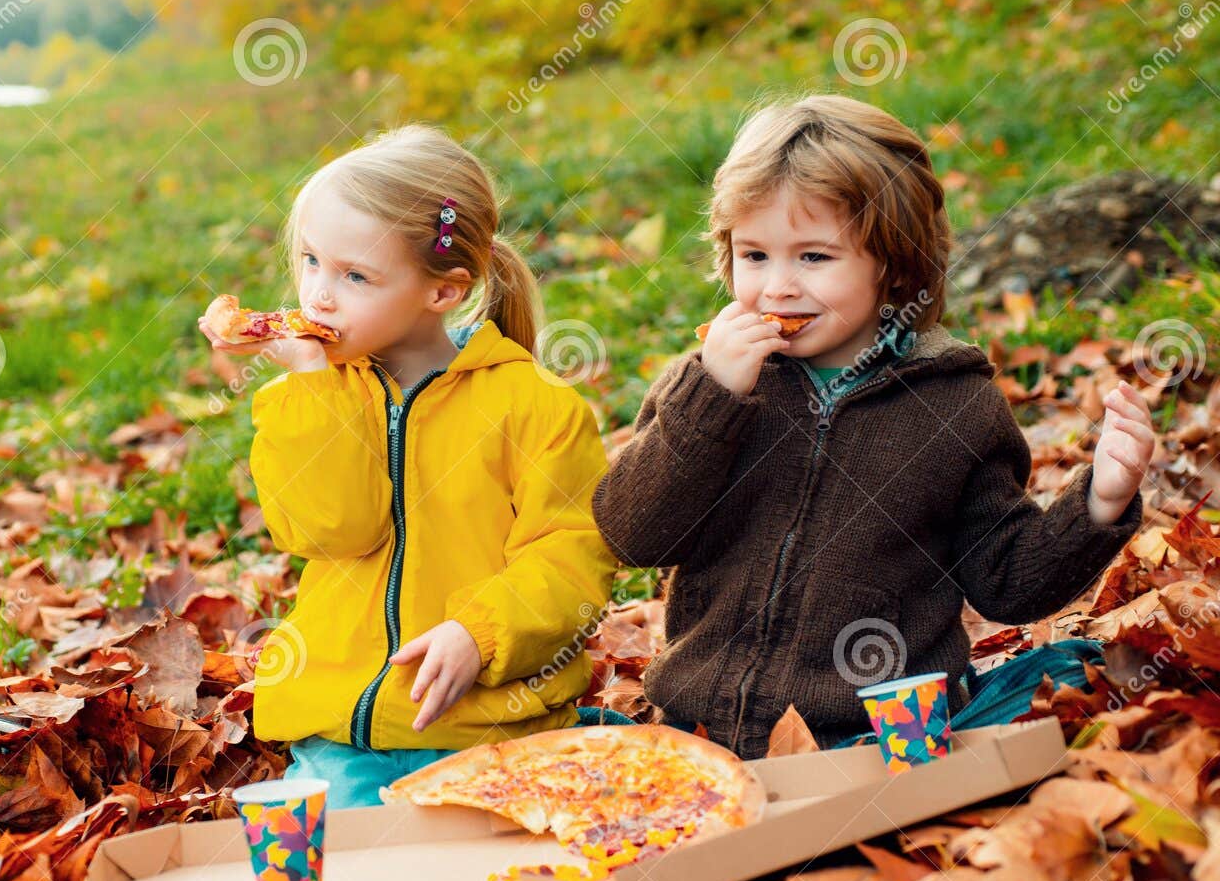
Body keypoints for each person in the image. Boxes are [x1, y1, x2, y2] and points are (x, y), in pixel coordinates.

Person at [590, 94, 1154, 757]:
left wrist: (1100, 500)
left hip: (879, 737)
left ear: (892, 263)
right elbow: (632, 533)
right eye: (755, 255)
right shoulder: (709, 385)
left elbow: (1009, 581)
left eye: (814, 258)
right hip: (701, 728)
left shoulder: (956, 406)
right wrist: (709, 401)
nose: (777, 287)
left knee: (1071, 675)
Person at [203, 125, 624, 809]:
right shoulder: (309, 397)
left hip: (488, 724)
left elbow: (571, 561)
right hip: (347, 731)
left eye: (354, 276)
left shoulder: (536, 408)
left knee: (509, 863)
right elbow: (332, 527)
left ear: (443, 292)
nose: (318, 296)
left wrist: (479, 633)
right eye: (310, 260)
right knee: (347, 869)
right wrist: (312, 392)